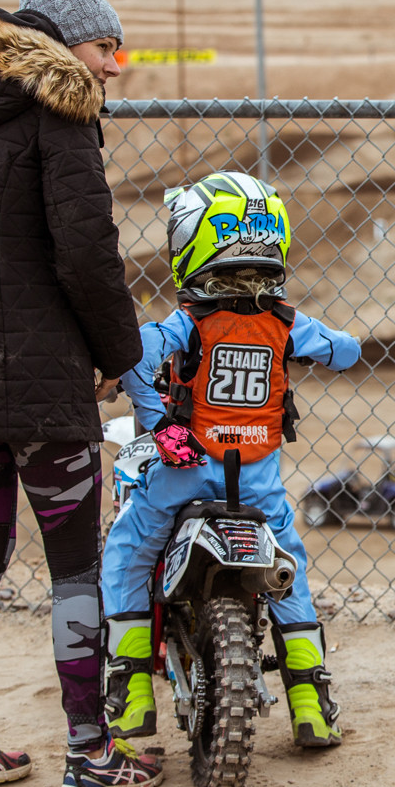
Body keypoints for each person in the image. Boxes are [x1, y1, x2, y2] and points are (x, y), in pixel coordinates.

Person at [0, 0, 163, 787]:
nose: (114, 67)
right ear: (62, 44)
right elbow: (84, 252)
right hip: (42, 379)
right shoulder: (60, 111)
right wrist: (124, 354)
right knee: (75, 568)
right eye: (103, 48)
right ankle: (90, 755)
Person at [100, 170, 361, 749]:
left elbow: (138, 355)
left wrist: (163, 421)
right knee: (287, 569)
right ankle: (311, 702)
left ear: (192, 243)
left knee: (127, 552)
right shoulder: (287, 323)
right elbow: (348, 350)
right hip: (259, 483)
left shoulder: (189, 323)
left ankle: (130, 692)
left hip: (182, 473)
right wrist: (316, 349)